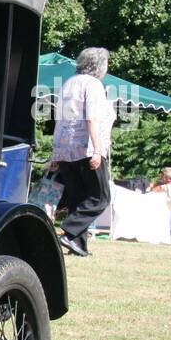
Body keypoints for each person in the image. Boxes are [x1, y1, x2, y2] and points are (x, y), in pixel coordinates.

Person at [50, 47, 115, 257]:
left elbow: (59, 120)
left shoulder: (68, 83)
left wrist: (55, 152)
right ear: (99, 66)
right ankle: (68, 231)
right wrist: (97, 150)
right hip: (86, 148)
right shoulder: (93, 84)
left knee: (78, 197)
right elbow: (92, 118)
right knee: (101, 197)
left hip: (65, 149)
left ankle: (78, 245)